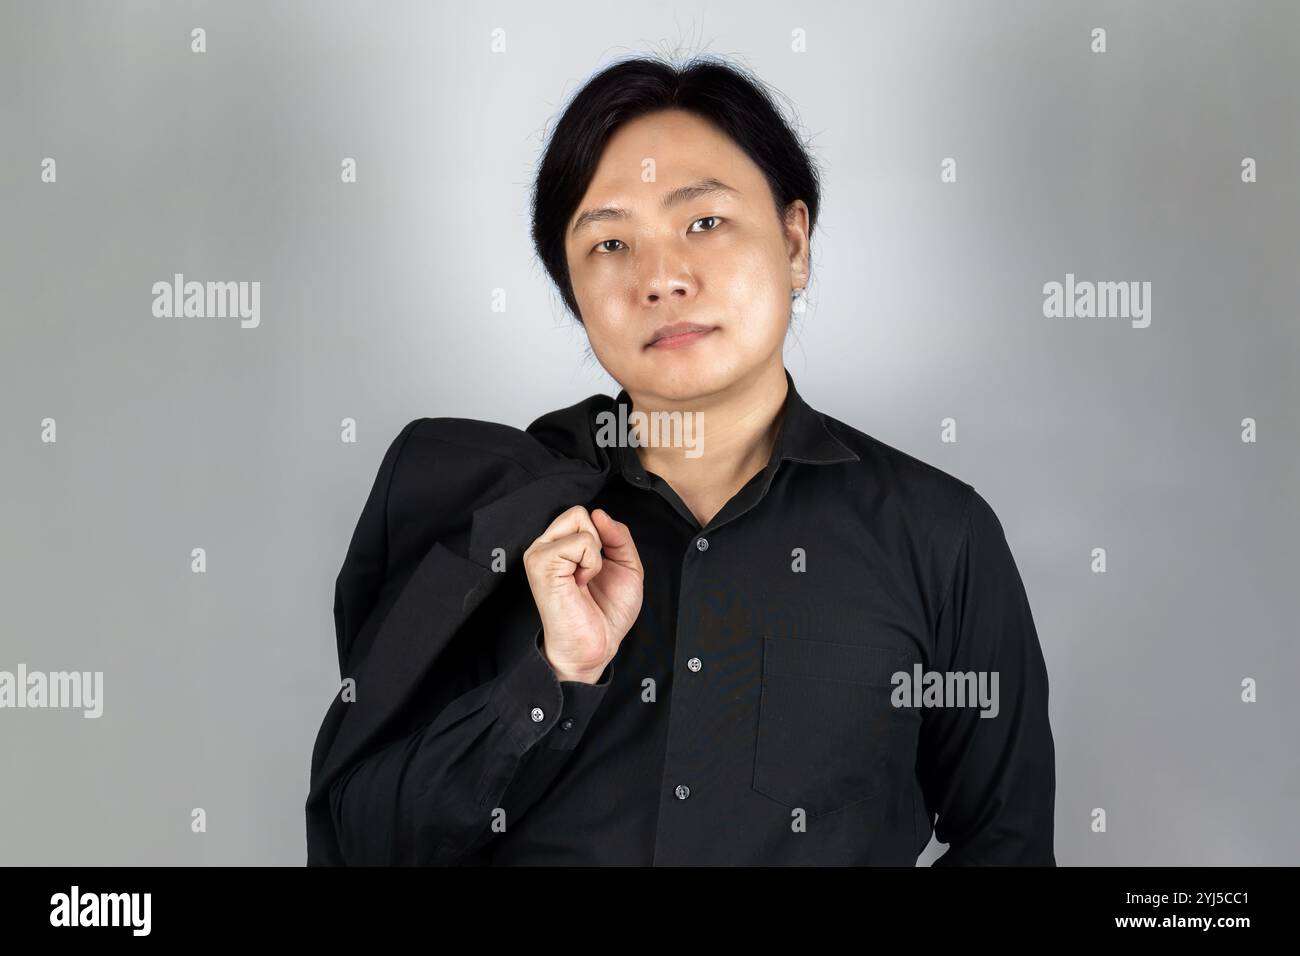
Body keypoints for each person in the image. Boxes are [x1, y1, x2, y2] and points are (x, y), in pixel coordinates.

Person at [305, 53, 1056, 865]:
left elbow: (1004, 844)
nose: (660, 278)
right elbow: (362, 840)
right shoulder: (491, 514)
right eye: (611, 243)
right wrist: (552, 678)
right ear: (572, 293)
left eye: (703, 222)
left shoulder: (940, 536)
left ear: (794, 241)